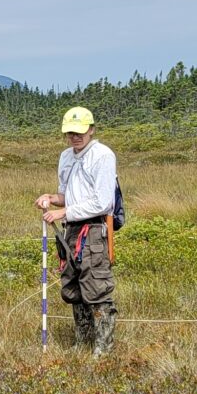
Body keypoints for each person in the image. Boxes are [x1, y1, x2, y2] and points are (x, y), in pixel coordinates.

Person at [35, 106, 118, 354]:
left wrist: (64, 212)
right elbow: (67, 195)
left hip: (93, 230)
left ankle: (102, 350)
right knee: (74, 287)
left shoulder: (103, 155)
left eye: (80, 131)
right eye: (70, 132)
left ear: (91, 129)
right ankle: (82, 342)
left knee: (96, 287)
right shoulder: (66, 156)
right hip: (69, 230)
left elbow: (103, 202)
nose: (75, 136)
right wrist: (51, 198)